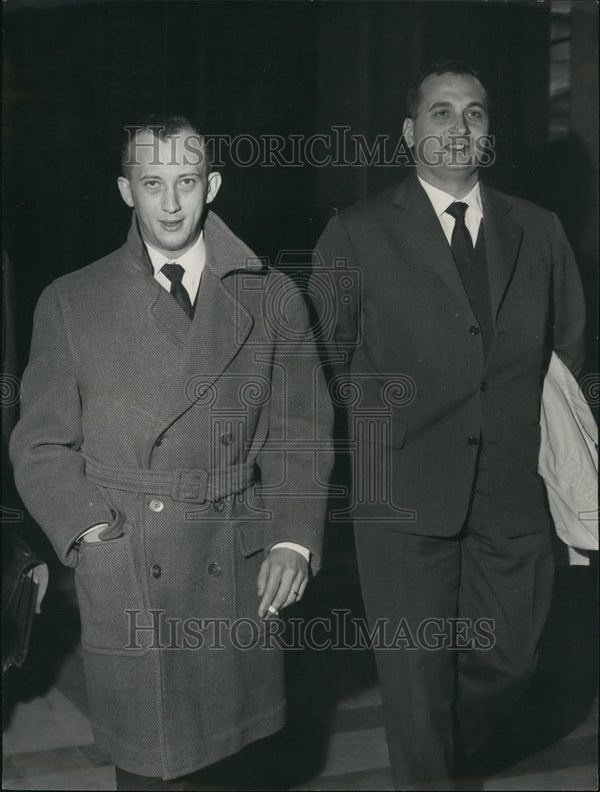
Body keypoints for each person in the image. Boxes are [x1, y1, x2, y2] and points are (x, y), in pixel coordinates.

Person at [10, 114, 333, 790]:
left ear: (211, 183)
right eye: (152, 182)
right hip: (133, 562)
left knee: (239, 767)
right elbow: (41, 444)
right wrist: (91, 529)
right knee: (152, 771)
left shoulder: (272, 297)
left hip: (237, 562)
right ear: (125, 189)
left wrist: (293, 541)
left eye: (186, 181)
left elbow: (299, 433)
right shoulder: (72, 301)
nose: (171, 203)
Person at [312, 61, 585, 790]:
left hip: (516, 490)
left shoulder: (540, 229)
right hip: (401, 495)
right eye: (441, 112)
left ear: (488, 133)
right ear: (410, 132)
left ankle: (442, 745)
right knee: (414, 682)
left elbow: (572, 357)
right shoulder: (356, 232)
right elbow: (323, 361)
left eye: (473, 113)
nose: (458, 127)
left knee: (512, 657)